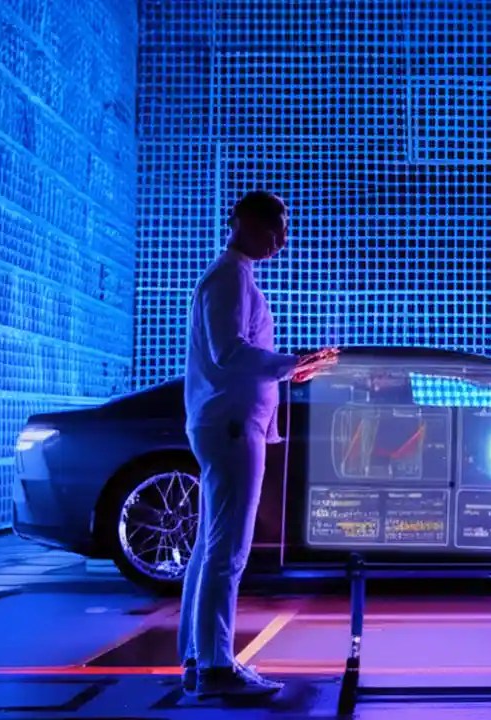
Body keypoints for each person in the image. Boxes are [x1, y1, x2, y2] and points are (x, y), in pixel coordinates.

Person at [177, 190, 338, 700]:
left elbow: (236, 356)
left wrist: (294, 367)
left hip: (228, 424)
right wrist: (290, 361)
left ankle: (198, 658)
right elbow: (229, 352)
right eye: (276, 228)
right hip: (231, 428)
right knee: (228, 552)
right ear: (245, 222)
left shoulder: (233, 276)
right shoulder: (228, 278)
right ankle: (216, 669)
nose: (283, 239)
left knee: (211, 549)